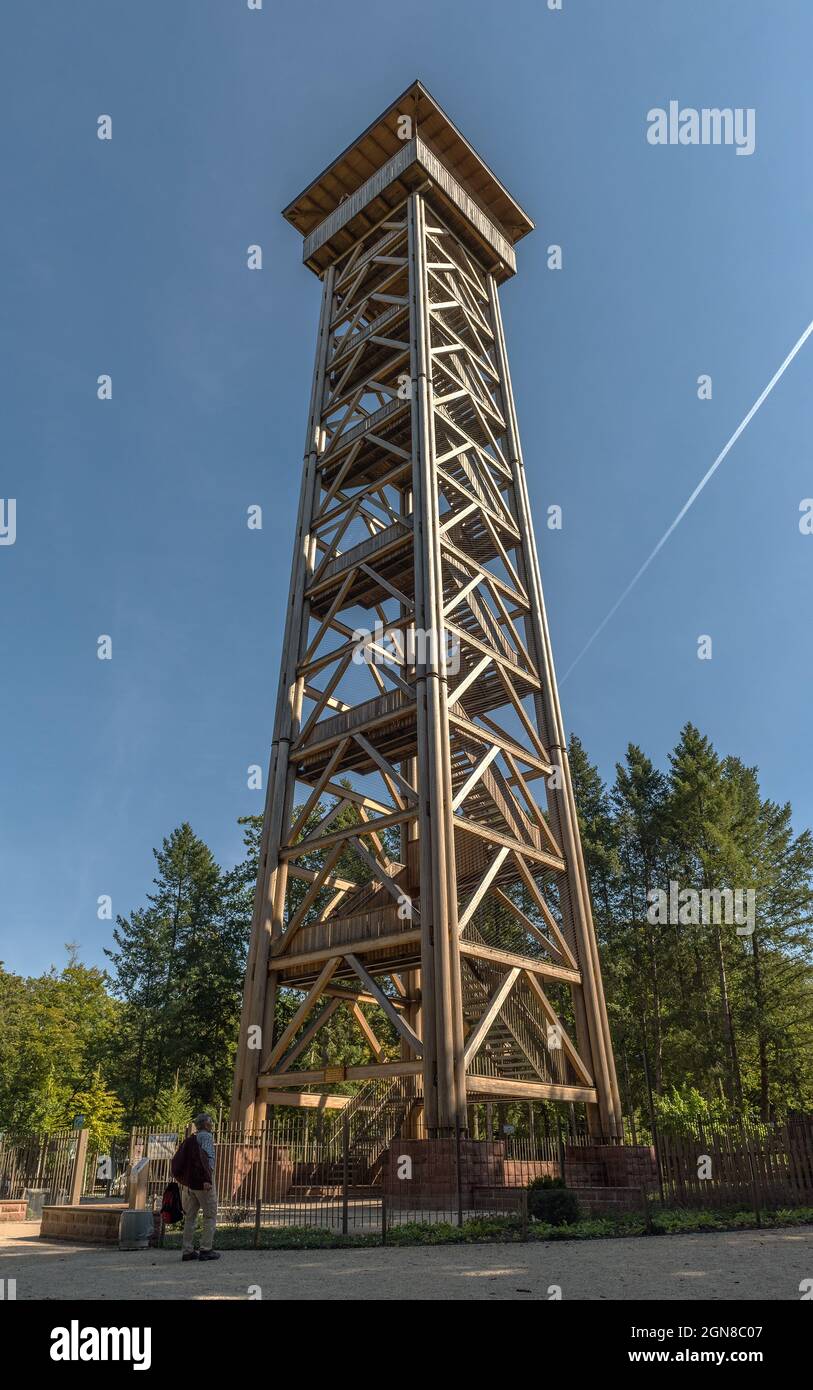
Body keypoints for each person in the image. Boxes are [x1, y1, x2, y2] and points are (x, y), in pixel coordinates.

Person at [175, 1113, 220, 1262]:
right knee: (210, 1215)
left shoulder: (192, 1139)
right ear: (206, 1124)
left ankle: (187, 1250)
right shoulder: (206, 1137)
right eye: (210, 1122)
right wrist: (207, 1179)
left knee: (190, 1217)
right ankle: (206, 1249)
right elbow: (206, 1158)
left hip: (191, 1183)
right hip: (203, 1181)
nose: (212, 1124)